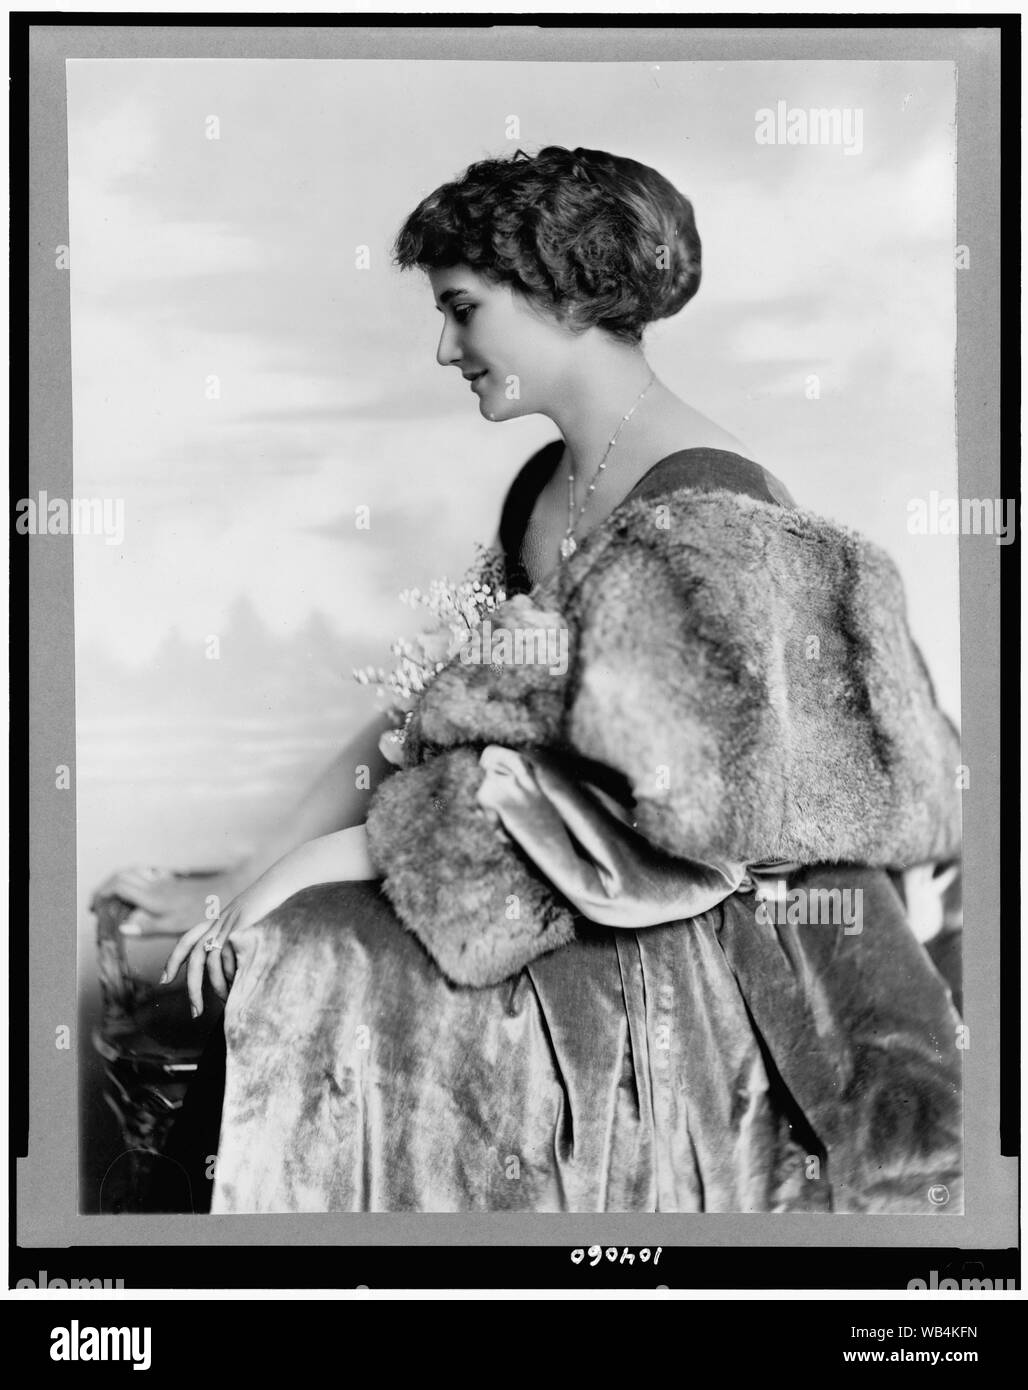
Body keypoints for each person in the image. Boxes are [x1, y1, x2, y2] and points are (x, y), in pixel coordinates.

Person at [100, 144, 959, 1213]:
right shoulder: (548, 489)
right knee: (275, 938)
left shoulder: (712, 515)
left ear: (558, 292)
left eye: (461, 309)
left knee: (316, 955)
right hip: (523, 878)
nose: (442, 347)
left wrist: (308, 874)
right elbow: (423, 717)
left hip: (669, 929)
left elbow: (639, 824)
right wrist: (240, 880)